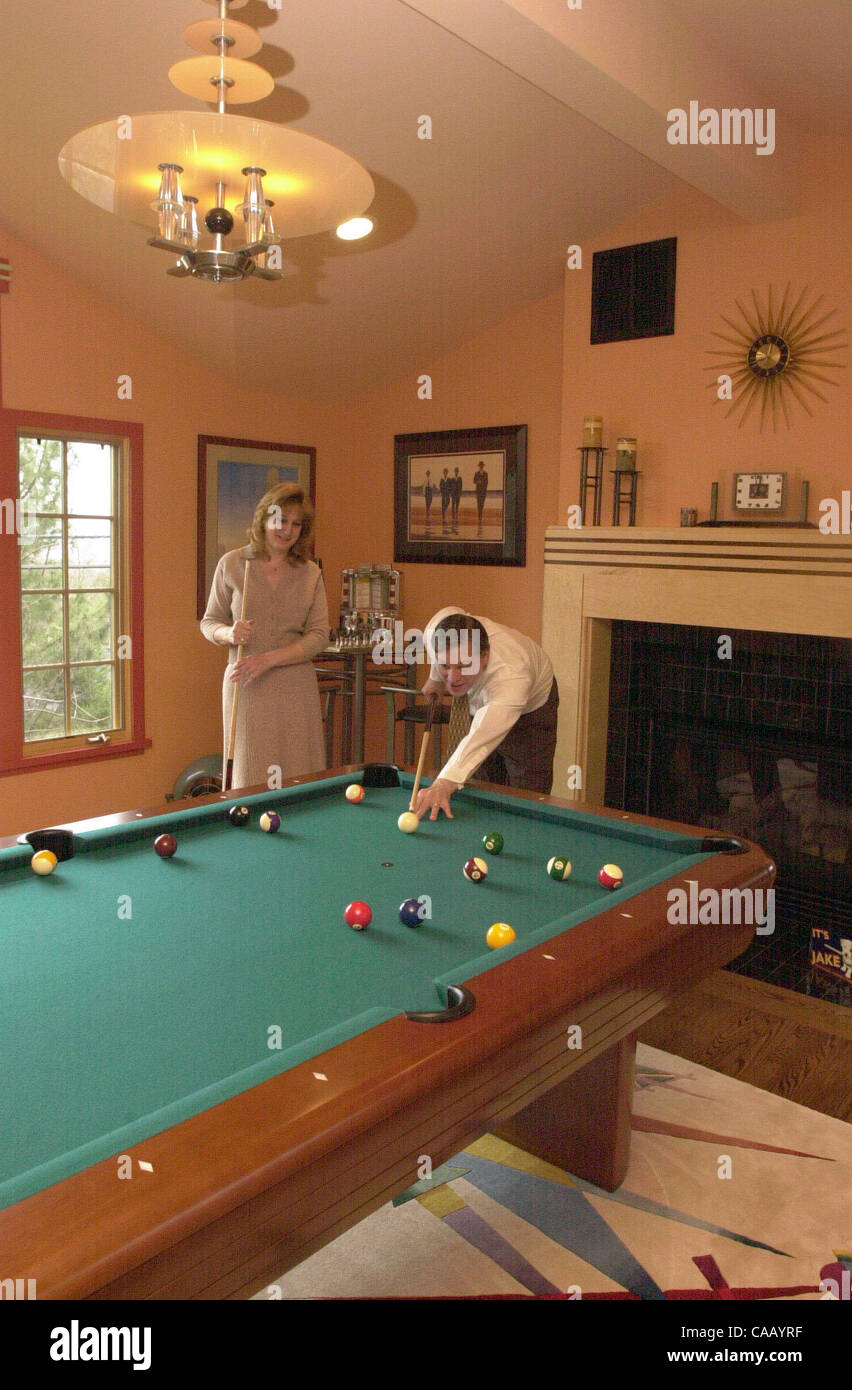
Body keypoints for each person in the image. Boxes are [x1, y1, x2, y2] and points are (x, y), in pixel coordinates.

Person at [200, 482, 329, 788]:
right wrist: (229, 633)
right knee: (251, 776)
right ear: (264, 519)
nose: (288, 530)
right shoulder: (232, 564)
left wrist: (269, 659)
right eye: (281, 520)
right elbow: (209, 622)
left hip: (296, 689)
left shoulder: (310, 572)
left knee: (299, 776)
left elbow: (319, 635)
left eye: (296, 524)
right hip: (247, 686)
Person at [413, 608, 558, 821]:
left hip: (531, 714)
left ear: (484, 656)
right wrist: (436, 676)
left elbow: (481, 739)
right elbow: (447, 617)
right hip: (484, 702)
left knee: (525, 794)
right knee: (482, 781)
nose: (452, 679)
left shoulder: (512, 676)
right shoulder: (438, 628)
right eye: (446, 665)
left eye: (463, 666)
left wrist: (442, 783)